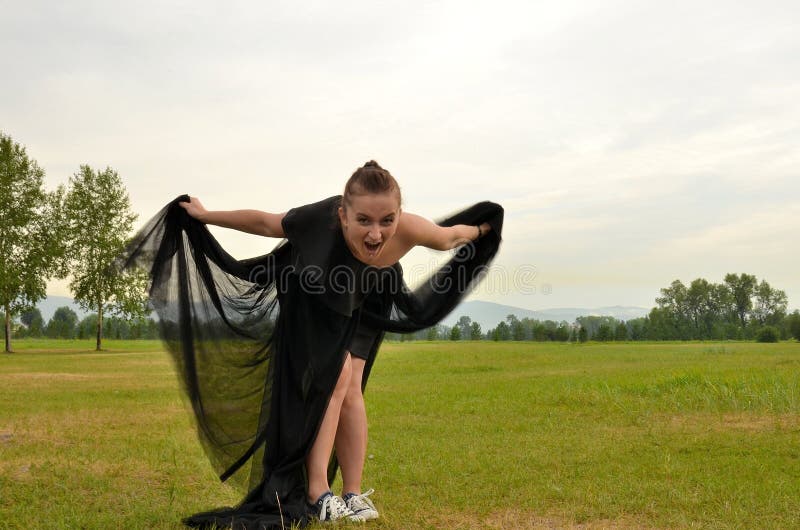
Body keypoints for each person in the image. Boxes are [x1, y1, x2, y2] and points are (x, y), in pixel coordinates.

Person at [121, 161, 503, 529]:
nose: (376, 234)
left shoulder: (411, 229)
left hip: (369, 294)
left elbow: (450, 236)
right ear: (343, 215)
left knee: (351, 386)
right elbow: (266, 223)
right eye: (364, 221)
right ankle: (318, 493)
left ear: (399, 215)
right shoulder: (316, 219)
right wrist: (206, 215)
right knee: (336, 378)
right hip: (315, 293)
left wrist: (483, 229)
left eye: (387, 221)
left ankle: (353, 495)